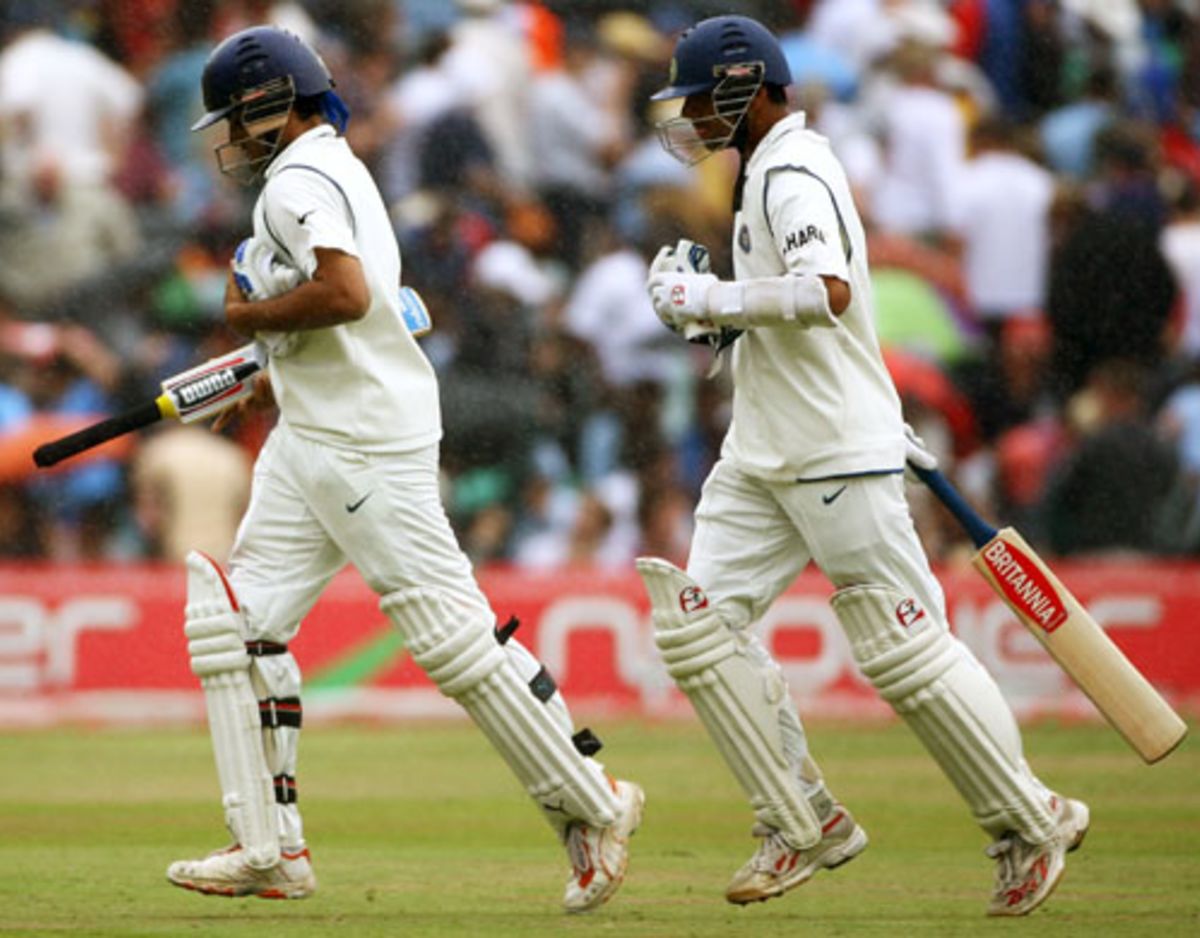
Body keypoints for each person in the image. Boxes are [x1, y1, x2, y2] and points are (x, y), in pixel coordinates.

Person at [166, 25, 642, 912]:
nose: (228, 138)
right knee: (237, 628)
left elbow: (345, 294)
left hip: (362, 440)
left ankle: (595, 803)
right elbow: (373, 312)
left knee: (451, 639)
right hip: (316, 430)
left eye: (235, 118)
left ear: (272, 106)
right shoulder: (331, 168)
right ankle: (271, 849)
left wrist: (252, 319)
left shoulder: (301, 181)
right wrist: (275, 374)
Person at [640, 15, 1088, 917]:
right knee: (695, 629)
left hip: (836, 449)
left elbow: (828, 290)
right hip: (763, 449)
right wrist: (712, 319)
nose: (686, 114)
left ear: (745, 90)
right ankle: (802, 819)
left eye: (700, 96)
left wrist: (715, 294)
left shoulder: (794, 170)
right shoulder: (761, 171)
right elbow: (792, 312)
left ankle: (1030, 816)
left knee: (906, 649)